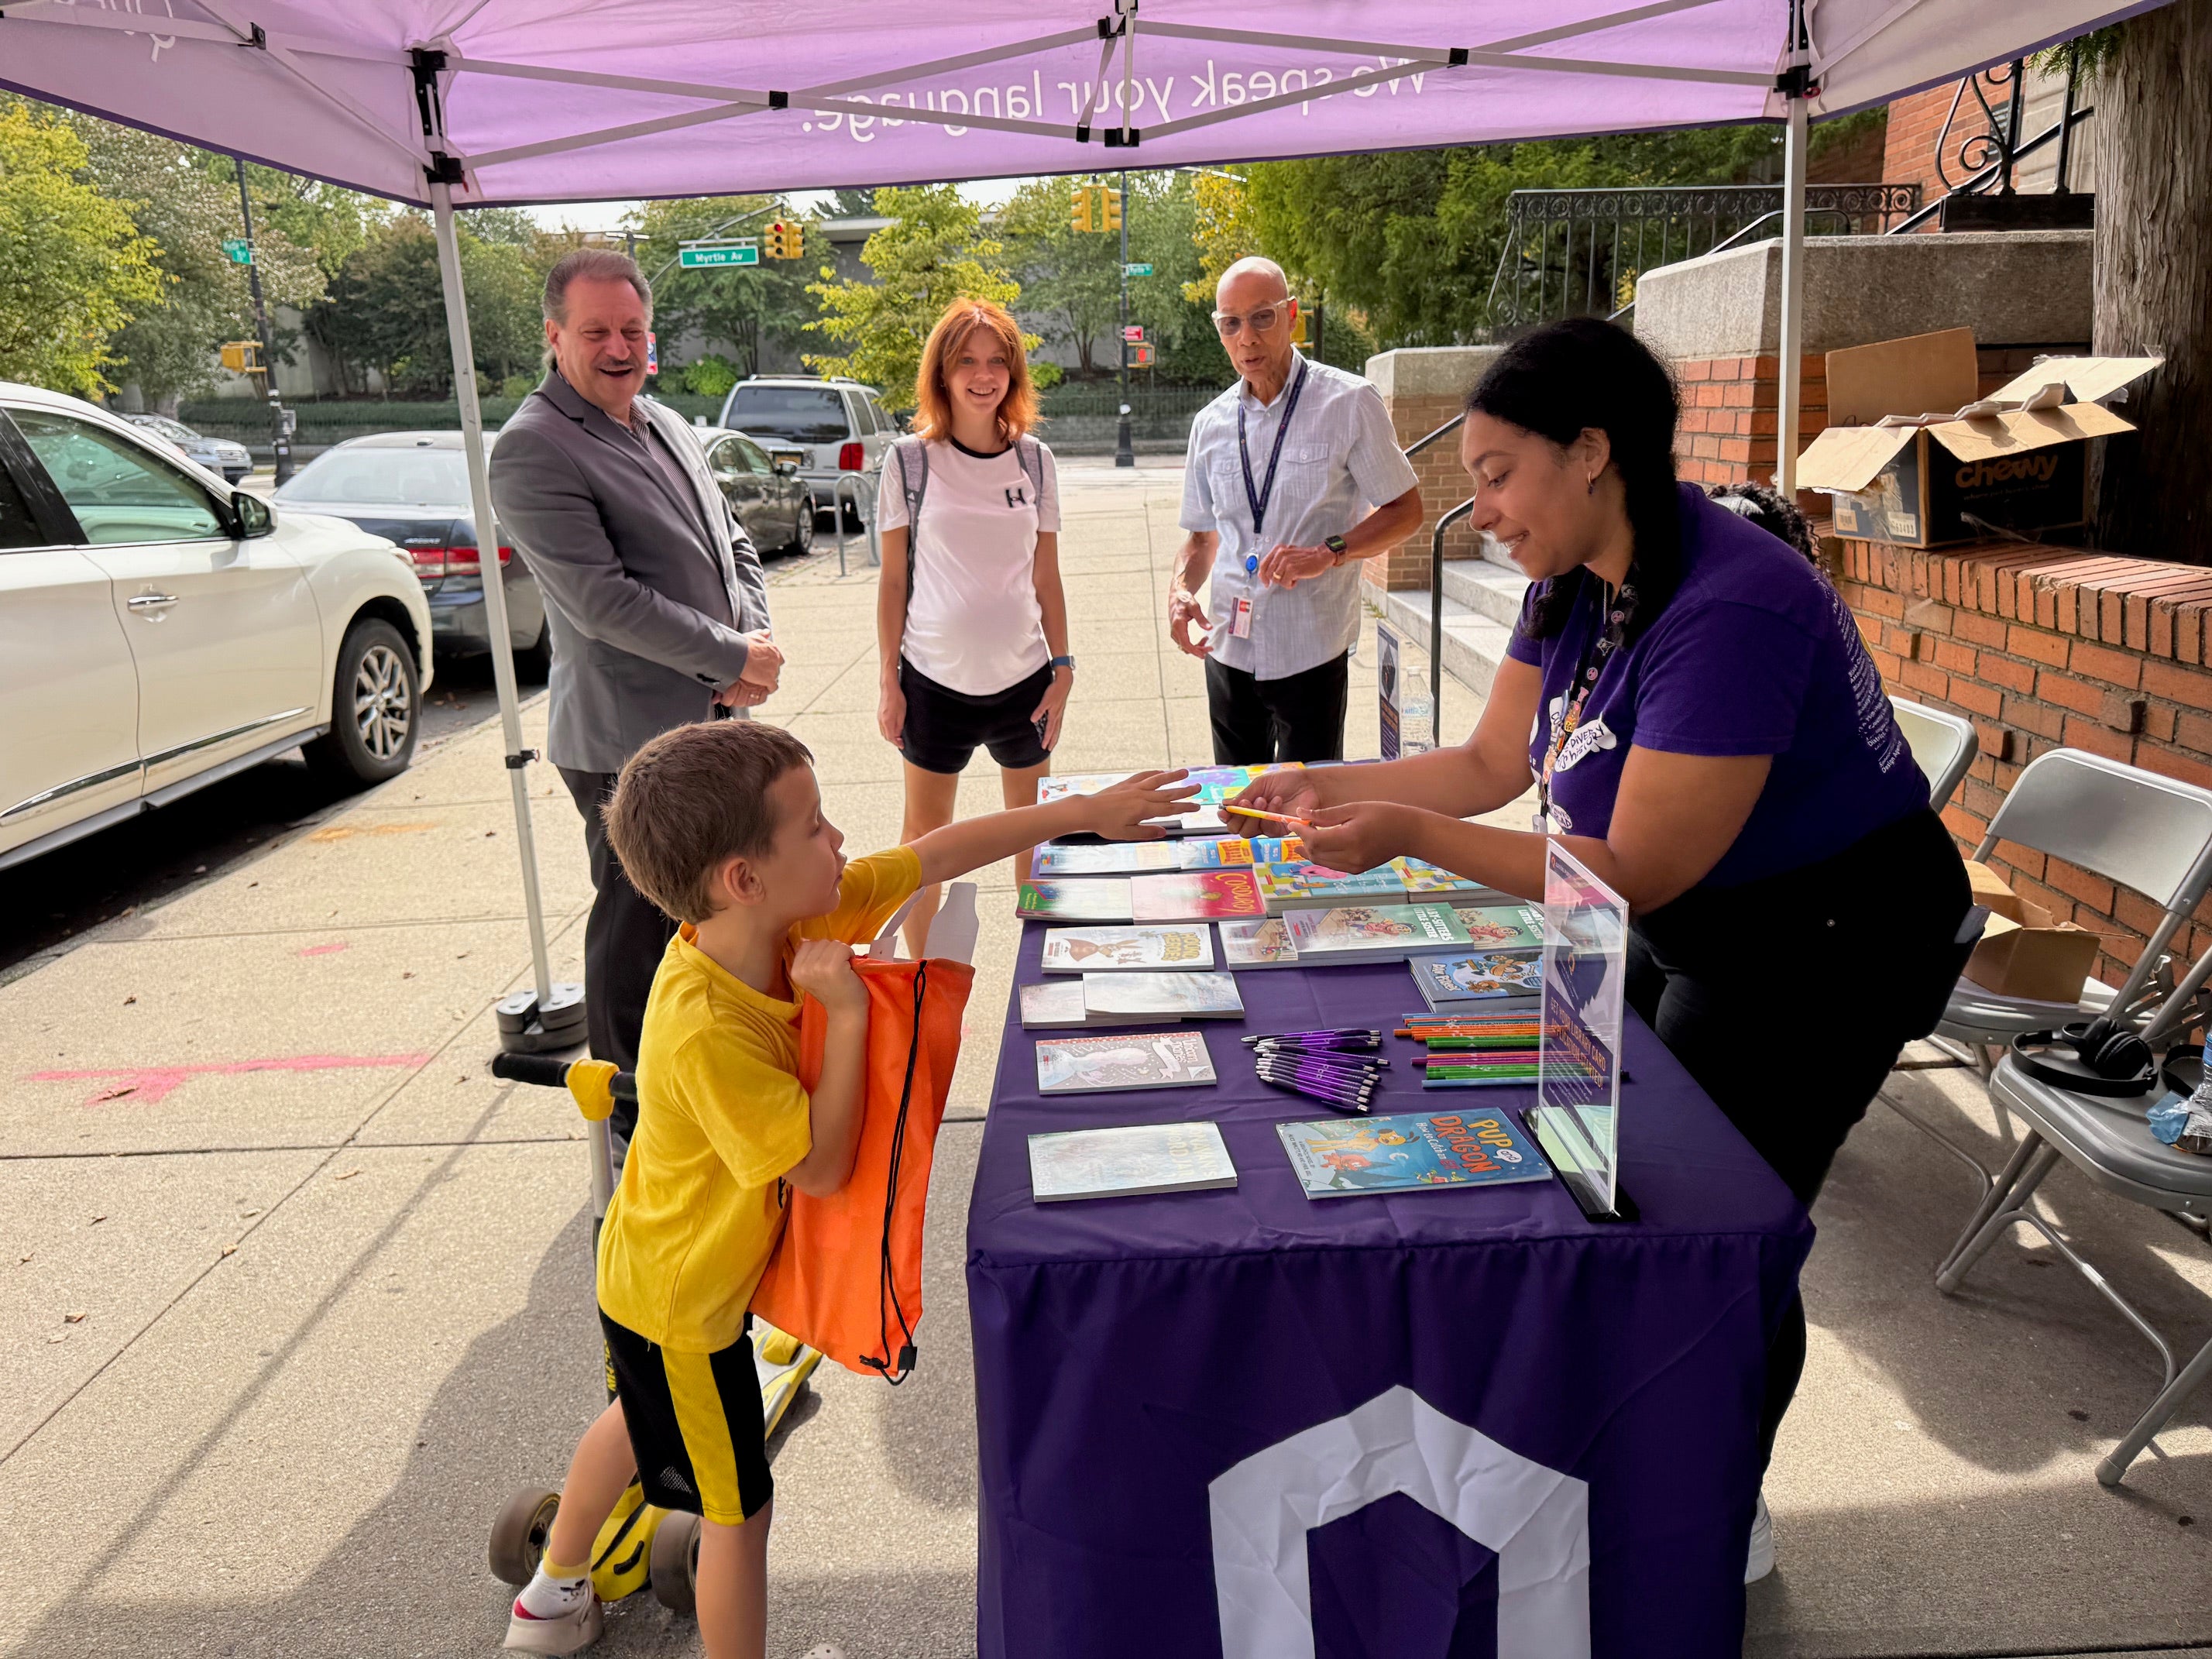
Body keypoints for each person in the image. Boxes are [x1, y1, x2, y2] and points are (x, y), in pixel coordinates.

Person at [1233, 317, 1973, 1583]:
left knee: (1718, 1222)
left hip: (1823, 945)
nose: (1481, 509)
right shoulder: (1575, 573)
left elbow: (1631, 868)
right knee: (1603, 1172)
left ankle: (1721, 1499)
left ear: (1590, 452)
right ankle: (1627, 1442)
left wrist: (1403, 835)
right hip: (1678, 916)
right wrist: (1324, 778)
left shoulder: (1734, 604)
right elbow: (1487, 762)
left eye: (1498, 474)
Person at [500, 720, 1193, 1657]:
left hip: (651, 1271)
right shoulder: (706, 1026)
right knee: (739, 1512)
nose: (838, 840)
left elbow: (932, 854)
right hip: (685, 1307)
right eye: (815, 827)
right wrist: (849, 1014)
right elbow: (821, 1168)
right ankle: (566, 1603)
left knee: (634, 1418)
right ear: (744, 879)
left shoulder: (789, 921)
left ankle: (552, 1593)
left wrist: (1082, 813)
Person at [490, 249, 781, 1140]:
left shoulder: (663, 421)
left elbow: (732, 540)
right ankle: (628, 1117)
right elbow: (600, 600)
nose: (618, 348)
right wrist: (728, 655)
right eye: (596, 332)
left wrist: (753, 640)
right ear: (555, 336)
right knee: (636, 928)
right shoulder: (533, 447)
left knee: (707, 917)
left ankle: (695, 1082)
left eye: (632, 330)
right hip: (627, 742)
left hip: (710, 720)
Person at [1170, 256, 1424, 764]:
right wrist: (1179, 590)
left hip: (1310, 648)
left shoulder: (1349, 403)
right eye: (1231, 323)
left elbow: (1406, 511)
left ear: (1291, 316)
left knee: (1308, 799)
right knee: (1237, 798)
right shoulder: (1210, 424)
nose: (1247, 338)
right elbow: (1200, 539)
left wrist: (1329, 552)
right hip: (1228, 648)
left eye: (1262, 317)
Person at [876, 298, 1071, 954]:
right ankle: (921, 983)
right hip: (933, 685)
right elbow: (893, 582)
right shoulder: (910, 461)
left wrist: (1063, 670)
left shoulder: (1035, 461)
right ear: (942, 372)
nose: (983, 376)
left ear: (1013, 373)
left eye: (997, 362)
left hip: (1025, 683)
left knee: (1032, 834)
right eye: (967, 361)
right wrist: (889, 682)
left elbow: (1047, 577)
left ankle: (1039, 970)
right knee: (925, 844)